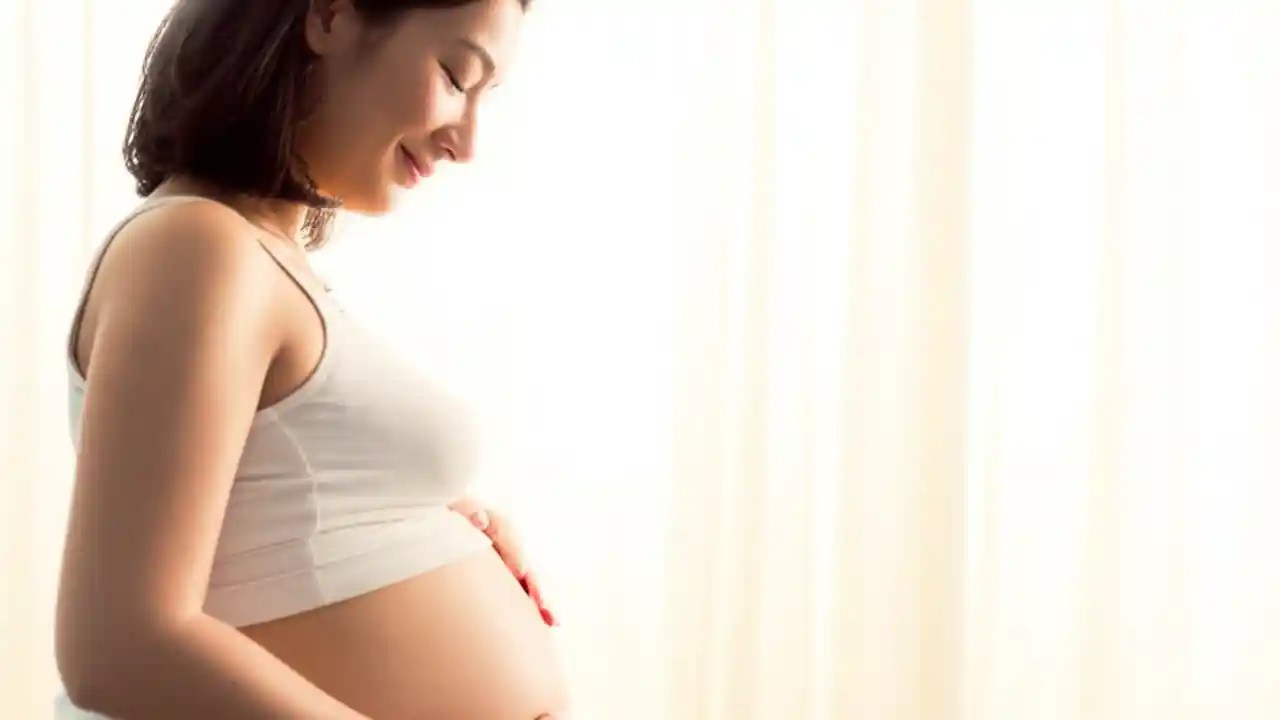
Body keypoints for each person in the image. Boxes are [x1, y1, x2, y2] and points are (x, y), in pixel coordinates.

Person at [51, 1, 571, 717]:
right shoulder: (200, 246)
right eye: (456, 76)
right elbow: (121, 646)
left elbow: (271, 498)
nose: (468, 142)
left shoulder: (255, 256)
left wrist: (418, 510)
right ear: (329, 16)